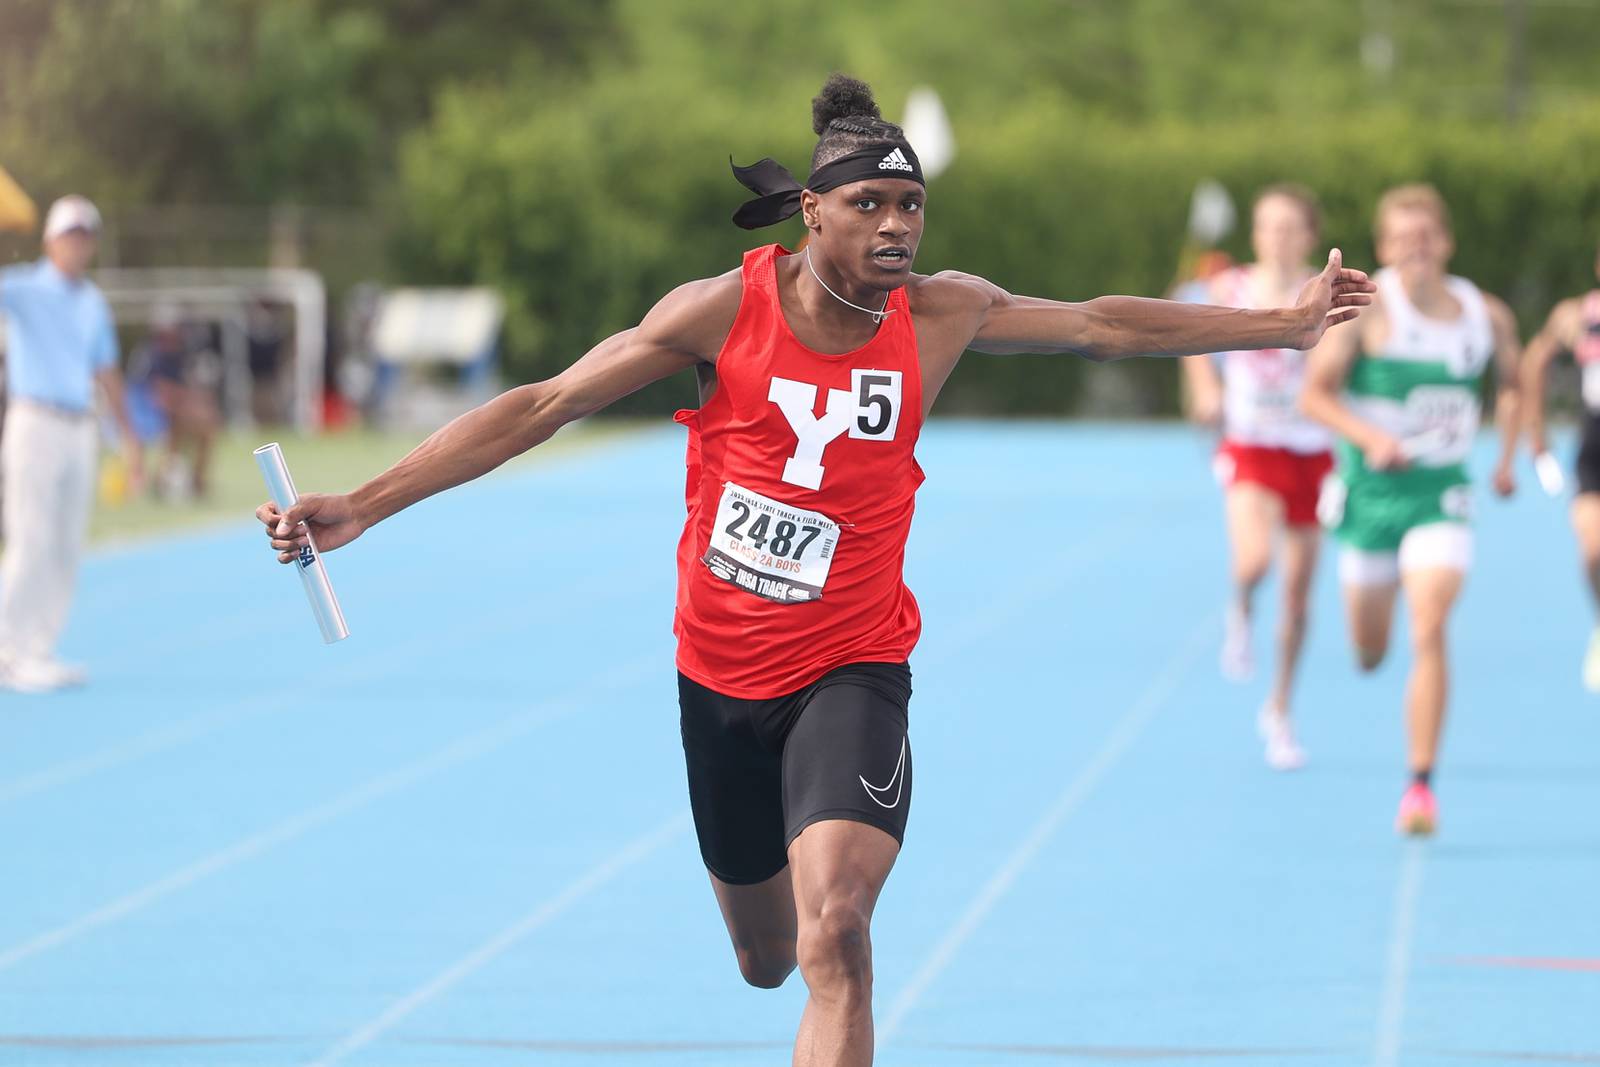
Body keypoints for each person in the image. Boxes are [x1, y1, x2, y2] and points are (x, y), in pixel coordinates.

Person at [256, 76, 1373, 1066]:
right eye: (869, 206)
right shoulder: (717, 312)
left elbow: (1099, 325)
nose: (895, 227)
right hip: (719, 676)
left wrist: (1276, 324)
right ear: (812, 212)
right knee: (767, 955)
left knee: (838, 927)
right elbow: (541, 405)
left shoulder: (939, 314)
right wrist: (363, 502)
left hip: (852, 666)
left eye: (911, 205)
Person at [1301, 183, 1519, 836]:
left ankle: (1420, 787)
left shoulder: (1489, 315)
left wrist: (1507, 454)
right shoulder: (1369, 312)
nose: (1414, 251)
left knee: (1430, 624)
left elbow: (1513, 385)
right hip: (1371, 495)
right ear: (1384, 248)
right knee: (1370, 650)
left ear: (1446, 241)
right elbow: (1314, 396)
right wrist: (1371, 439)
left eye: (1425, 238)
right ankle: (1378, 612)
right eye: (1400, 240)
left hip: (1440, 493)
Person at [1180, 185, 1331, 770]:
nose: (1278, 237)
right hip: (1251, 446)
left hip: (1311, 453)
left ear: (1310, 234)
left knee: (1297, 597)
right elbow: (1190, 339)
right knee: (1254, 563)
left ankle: (1280, 709)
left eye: (1290, 226)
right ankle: (1241, 607)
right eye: (1268, 226)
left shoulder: (1321, 292)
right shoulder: (1231, 288)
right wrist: (1207, 389)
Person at [0, 195, 144, 692]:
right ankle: (9, 650)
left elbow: (106, 370)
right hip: (34, 422)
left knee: (64, 545)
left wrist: (130, 436)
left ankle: (38, 647)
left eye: (84, 237)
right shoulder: (22, 288)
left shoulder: (92, 302)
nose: (76, 246)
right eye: (69, 235)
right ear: (49, 240)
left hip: (79, 427)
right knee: (30, 538)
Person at [1520, 241, 1600, 690]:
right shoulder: (1579, 316)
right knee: (1592, 550)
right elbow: (1535, 360)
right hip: (1595, 450)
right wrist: (1536, 431)